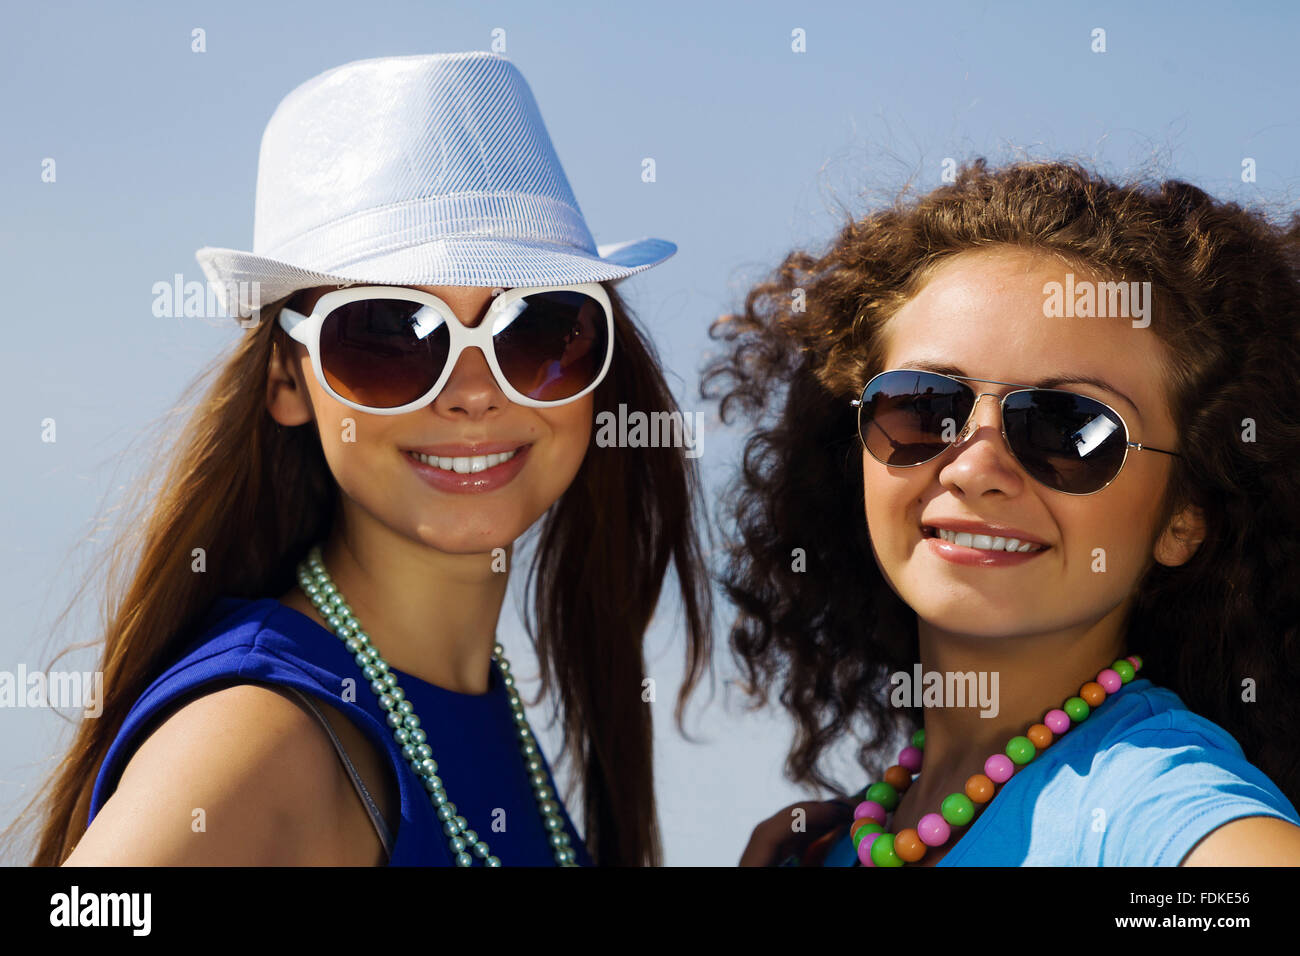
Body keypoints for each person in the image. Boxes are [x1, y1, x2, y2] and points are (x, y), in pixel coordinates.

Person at [13, 52, 711, 867]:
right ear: (286, 379)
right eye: (388, 332)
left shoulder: (480, 712)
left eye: (536, 326)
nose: (473, 393)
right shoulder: (255, 740)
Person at [705, 157, 1300, 866]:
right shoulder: (846, 839)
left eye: (1069, 429)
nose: (974, 468)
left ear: (1184, 519)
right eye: (924, 407)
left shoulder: (1163, 816)